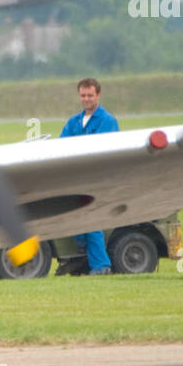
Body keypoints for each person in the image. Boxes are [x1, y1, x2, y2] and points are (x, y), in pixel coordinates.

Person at [59, 77, 118, 274]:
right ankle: (81, 258)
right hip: (76, 181)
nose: (86, 99)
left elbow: (102, 151)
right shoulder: (73, 122)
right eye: (83, 95)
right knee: (75, 220)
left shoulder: (107, 121)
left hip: (98, 180)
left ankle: (101, 266)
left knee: (91, 220)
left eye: (90, 95)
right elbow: (60, 147)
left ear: (98, 95)